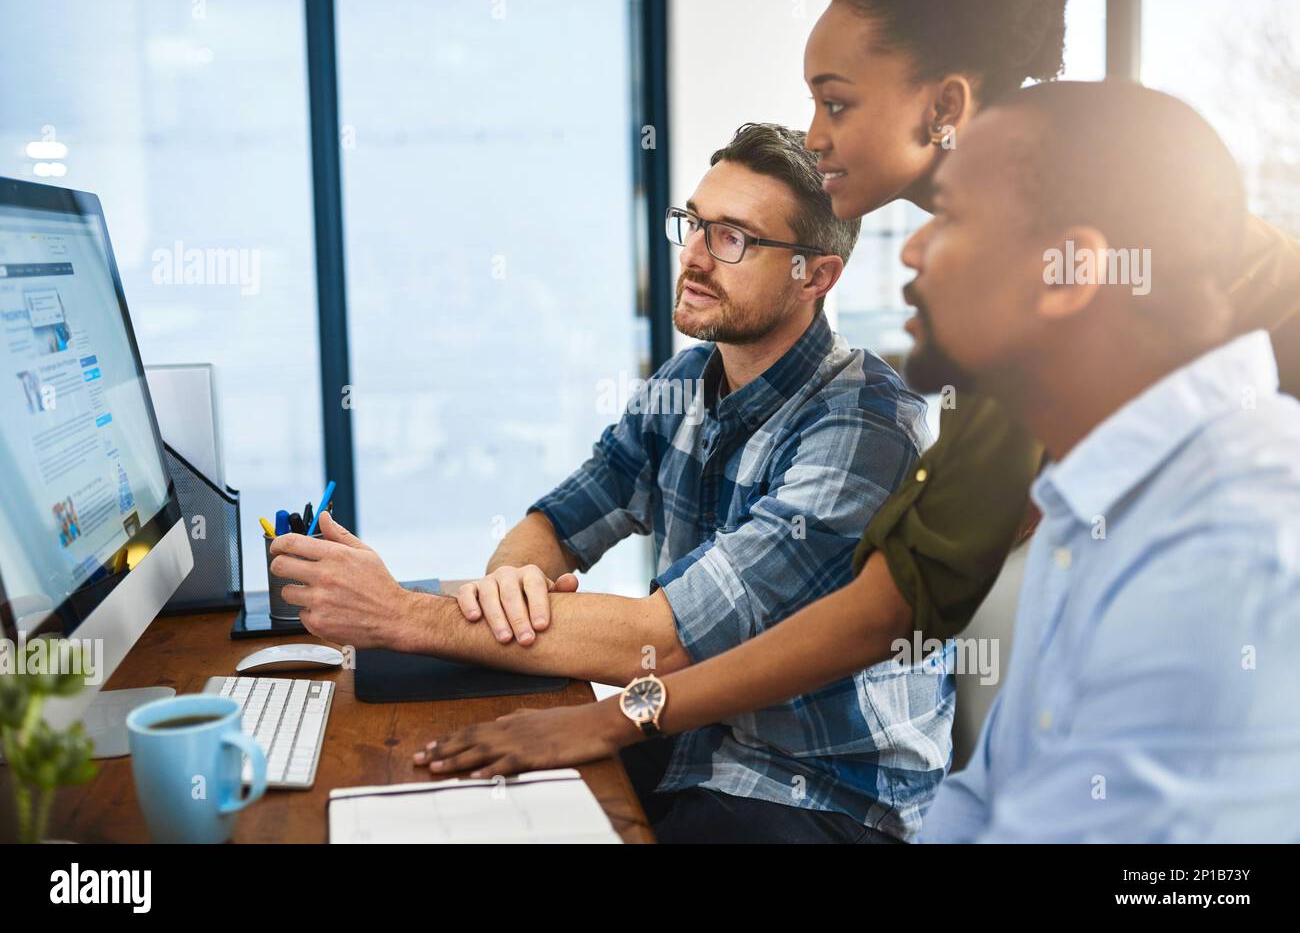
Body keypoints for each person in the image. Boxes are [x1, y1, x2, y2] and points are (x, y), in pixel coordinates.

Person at [421, 0, 1300, 840]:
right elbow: (999, 796)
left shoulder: (1206, 516)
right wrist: (508, 604)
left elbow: (883, 610)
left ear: (944, 109)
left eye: (836, 103)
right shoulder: (1085, 496)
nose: (815, 136)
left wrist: (575, 690)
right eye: (697, 227)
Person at [271, 120, 946, 844]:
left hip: (823, 796)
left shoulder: (865, 427)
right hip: (687, 741)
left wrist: (406, 614)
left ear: (815, 276)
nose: (692, 257)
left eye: (734, 238)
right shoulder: (685, 382)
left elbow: (665, 642)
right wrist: (513, 586)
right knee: (461, 799)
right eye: (693, 224)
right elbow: (557, 523)